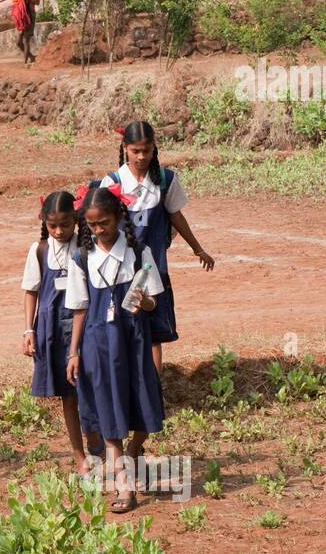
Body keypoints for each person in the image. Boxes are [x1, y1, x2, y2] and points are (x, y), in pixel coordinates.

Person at [65, 185, 165, 514]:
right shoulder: (81, 256)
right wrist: (74, 351)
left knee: (143, 407)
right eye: (92, 225)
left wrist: (144, 301)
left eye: (104, 222)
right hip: (98, 344)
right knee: (107, 411)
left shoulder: (138, 253)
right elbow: (79, 308)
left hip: (133, 340)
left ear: (120, 217)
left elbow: (153, 302)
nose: (99, 230)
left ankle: (135, 450)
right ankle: (124, 484)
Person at [102, 121, 215, 373]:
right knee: (122, 329)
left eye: (147, 150)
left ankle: (154, 387)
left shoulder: (165, 180)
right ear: (125, 149)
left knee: (154, 333)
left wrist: (198, 249)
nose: (141, 156)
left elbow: (176, 215)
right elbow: (99, 225)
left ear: (154, 149)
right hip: (120, 273)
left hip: (154, 270)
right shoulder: (112, 183)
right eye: (135, 151)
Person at [22, 190, 101, 474]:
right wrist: (28, 330)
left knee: (90, 387)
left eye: (65, 224)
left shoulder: (88, 248)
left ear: (76, 220)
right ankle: (80, 456)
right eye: (52, 225)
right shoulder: (40, 250)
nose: (59, 231)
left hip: (84, 326)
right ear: (44, 221)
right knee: (68, 395)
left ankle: (97, 442)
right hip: (52, 329)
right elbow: (31, 291)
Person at [11, 0, 40, 65]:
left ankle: (25, 62)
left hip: (30, 15)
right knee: (18, 42)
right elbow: (15, 3)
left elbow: (37, 2)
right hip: (20, 17)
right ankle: (31, 57)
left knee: (26, 39)